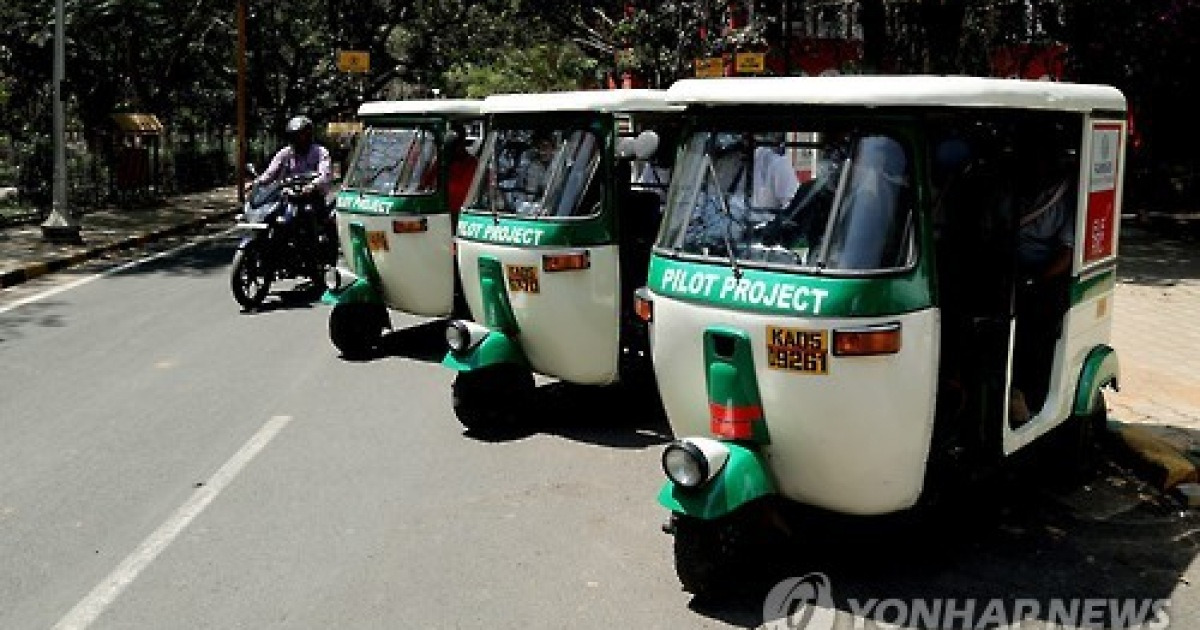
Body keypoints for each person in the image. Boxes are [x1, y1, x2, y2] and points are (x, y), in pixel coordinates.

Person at [1010, 140, 1078, 426]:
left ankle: (1029, 395)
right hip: (1006, 269)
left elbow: (1067, 252)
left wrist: (1035, 280)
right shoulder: (1009, 191)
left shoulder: (1065, 197)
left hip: (1042, 277)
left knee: (1034, 330)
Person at [445, 123, 478, 221]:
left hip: (464, 211)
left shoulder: (473, 164)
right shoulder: (441, 163)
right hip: (445, 210)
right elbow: (425, 183)